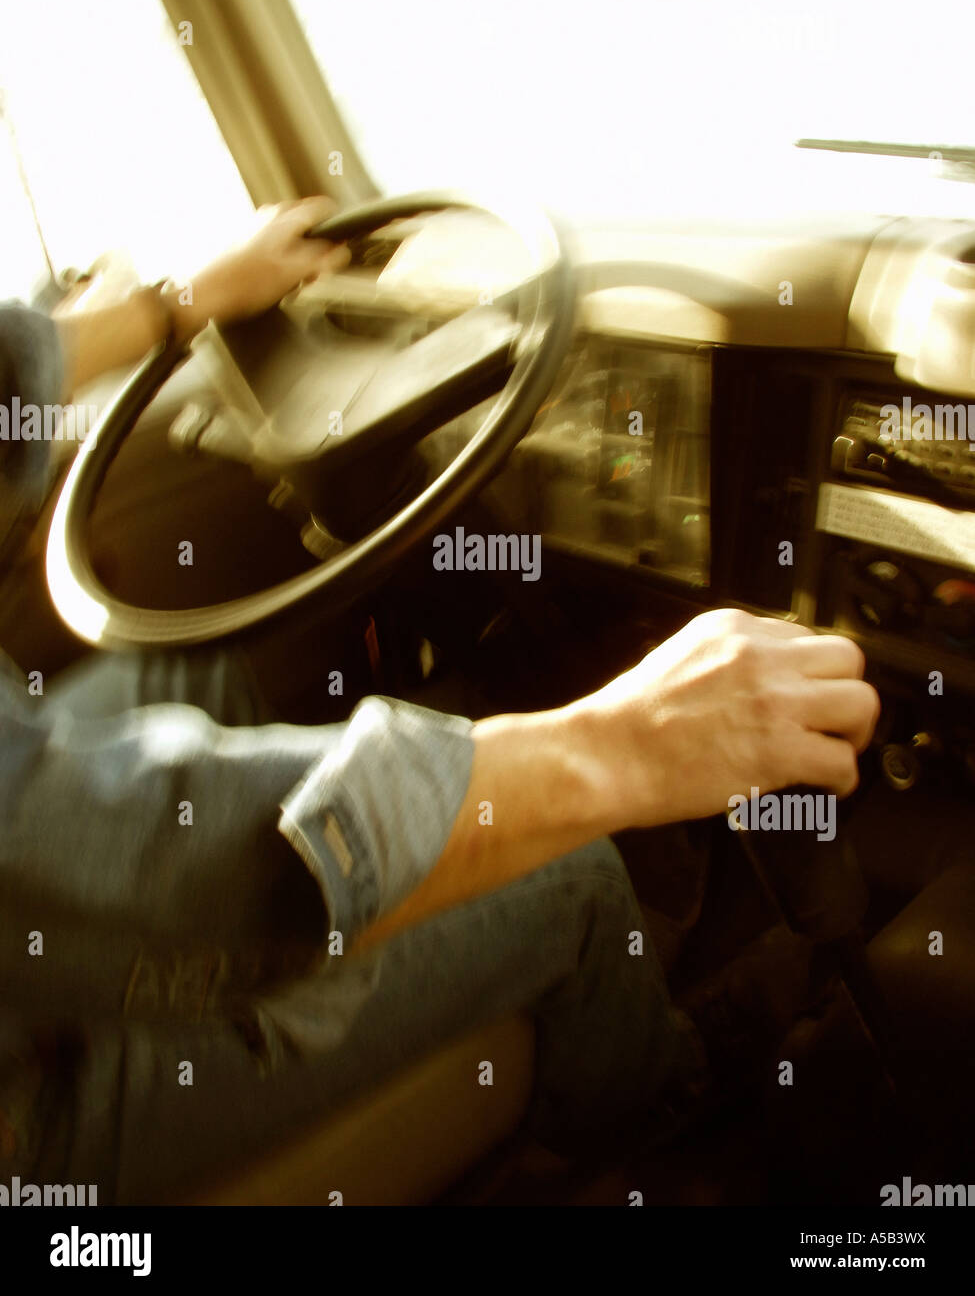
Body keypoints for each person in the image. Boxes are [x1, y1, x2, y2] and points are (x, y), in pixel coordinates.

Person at [0, 197, 880, 1203]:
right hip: (32, 1105)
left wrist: (179, 304)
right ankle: (666, 1096)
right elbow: (183, 862)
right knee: (574, 879)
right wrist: (627, 745)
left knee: (205, 672)